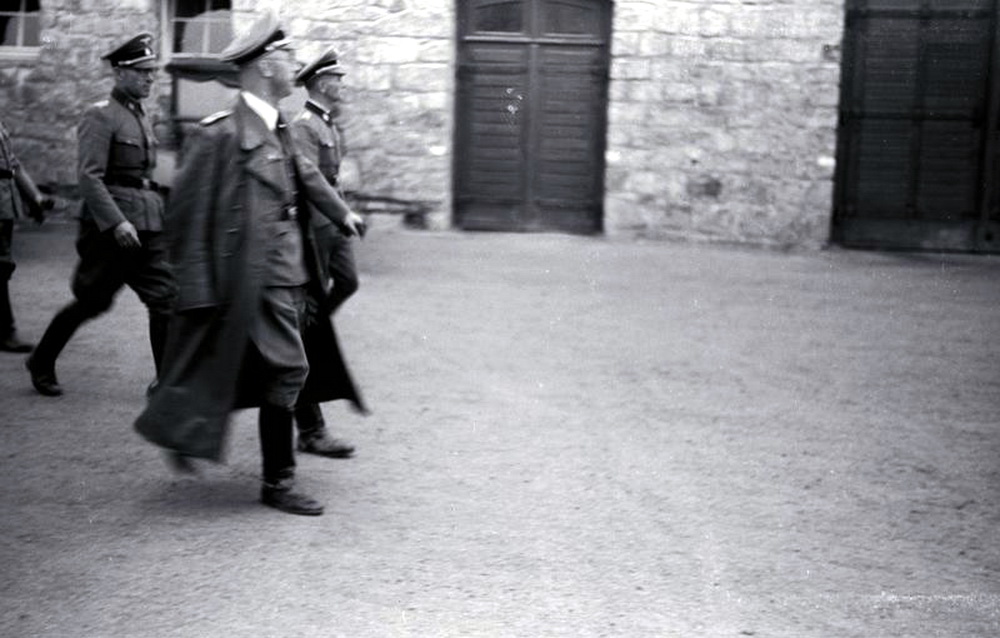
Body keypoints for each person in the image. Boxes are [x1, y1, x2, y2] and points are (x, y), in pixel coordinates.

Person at [134, 11, 367, 516]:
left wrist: (341, 212)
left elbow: (306, 175)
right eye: (286, 55)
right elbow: (186, 220)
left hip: (292, 268)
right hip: (252, 276)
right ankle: (277, 481)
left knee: (268, 369)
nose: (293, 63)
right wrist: (196, 295)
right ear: (264, 64)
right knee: (289, 368)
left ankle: (196, 430)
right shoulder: (219, 135)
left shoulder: (278, 122)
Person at [26, 33, 173, 396]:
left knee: (166, 298)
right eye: (142, 72)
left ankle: (166, 383)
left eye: (152, 72)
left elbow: (147, 175)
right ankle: (41, 358)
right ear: (120, 73)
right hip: (115, 228)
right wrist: (117, 221)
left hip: (148, 222)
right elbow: (89, 177)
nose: (150, 78)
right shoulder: (100, 115)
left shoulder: (141, 116)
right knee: (94, 300)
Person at [288, 46, 359, 458]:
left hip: (334, 224)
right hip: (316, 227)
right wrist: (337, 213)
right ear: (320, 83)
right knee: (303, 334)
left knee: (348, 282)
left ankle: (317, 323)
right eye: (337, 78)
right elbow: (311, 179)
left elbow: (333, 177)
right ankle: (310, 428)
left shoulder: (330, 124)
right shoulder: (303, 126)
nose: (342, 84)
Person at [0, 118, 53, 353]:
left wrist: (35, 197)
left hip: (3, 201)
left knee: (1, 267)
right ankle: (5, 332)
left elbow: (13, 164)